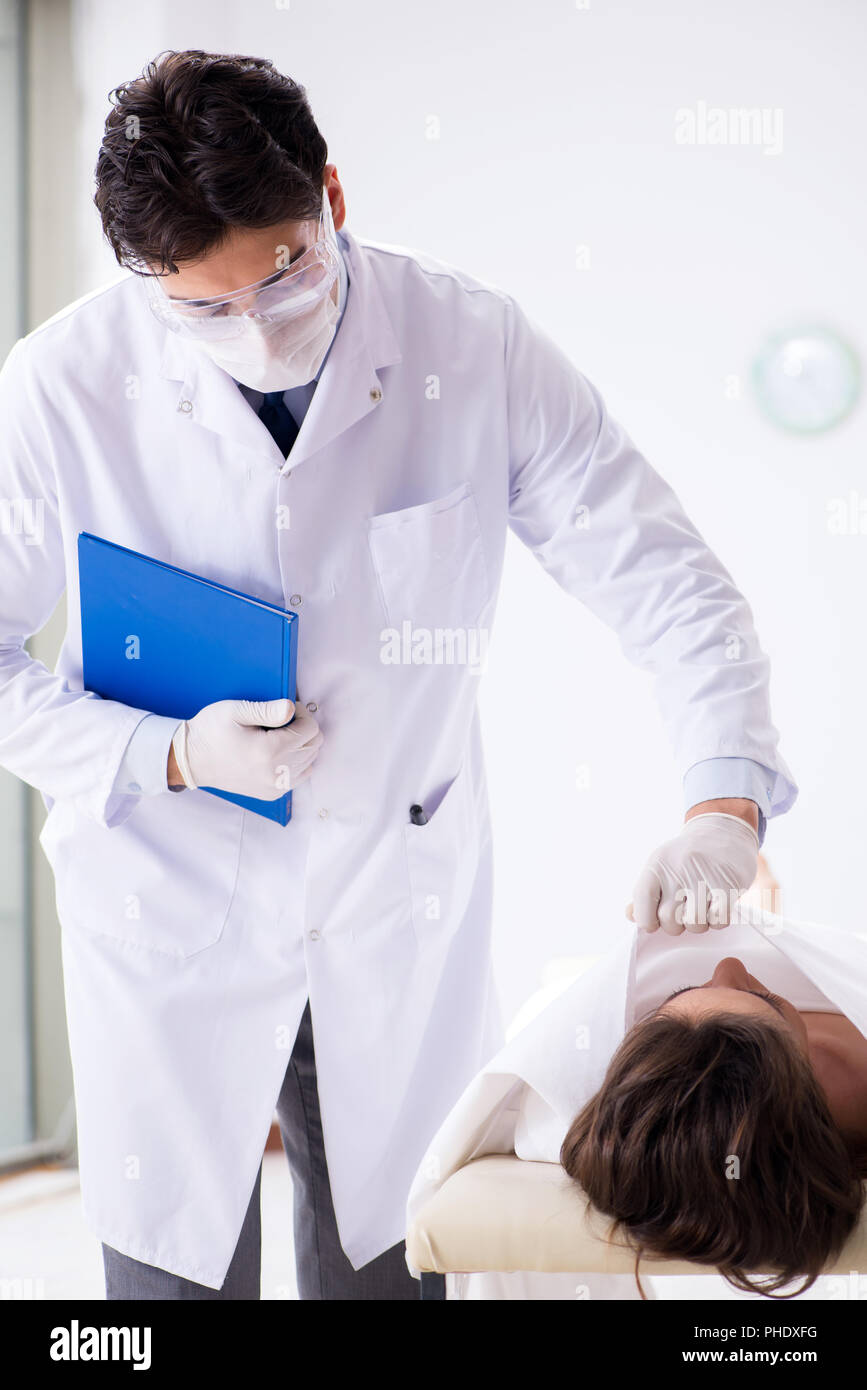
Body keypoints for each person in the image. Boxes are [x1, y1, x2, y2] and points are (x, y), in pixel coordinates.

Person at [0, 48, 796, 1300]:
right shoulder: (59, 388)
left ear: (333, 195)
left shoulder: (469, 344)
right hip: (165, 909)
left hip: (393, 901)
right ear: (138, 276)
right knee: (167, 1288)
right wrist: (159, 754)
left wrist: (721, 806)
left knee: (393, 1259)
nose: (254, 330)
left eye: (284, 274)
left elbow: (666, 578)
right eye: (200, 309)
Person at [406, 858, 867, 1300]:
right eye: (765, 1000)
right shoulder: (841, 1113)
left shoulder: (624, 1079)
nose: (729, 963)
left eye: (685, 991)